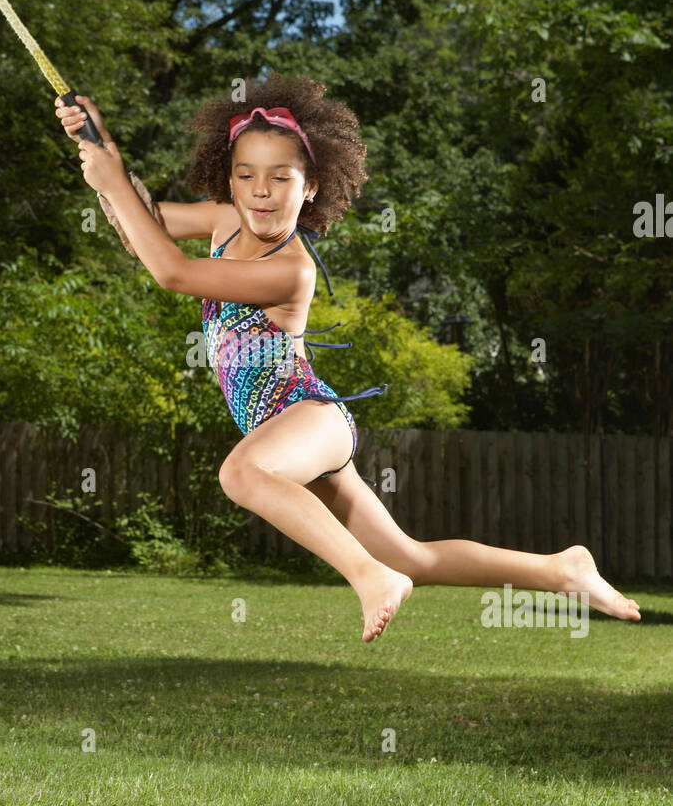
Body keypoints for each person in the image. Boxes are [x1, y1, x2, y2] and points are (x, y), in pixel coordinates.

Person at [55, 75, 641, 642]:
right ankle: (563, 570)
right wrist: (103, 154)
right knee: (415, 555)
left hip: (309, 413)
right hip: (285, 429)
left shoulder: (293, 267)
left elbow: (172, 271)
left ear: (309, 186)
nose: (261, 190)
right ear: (229, 183)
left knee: (241, 474)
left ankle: (370, 576)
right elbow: (142, 231)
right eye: (246, 175)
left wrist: (110, 180)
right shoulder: (223, 220)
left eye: (280, 177)